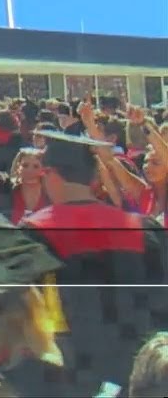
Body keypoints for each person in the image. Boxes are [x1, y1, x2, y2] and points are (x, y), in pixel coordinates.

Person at [20, 130, 168, 394]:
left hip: (68, 375)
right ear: (94, 178)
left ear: (50, 174)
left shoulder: (35, 231)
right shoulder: (143, 228)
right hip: (136, 374)